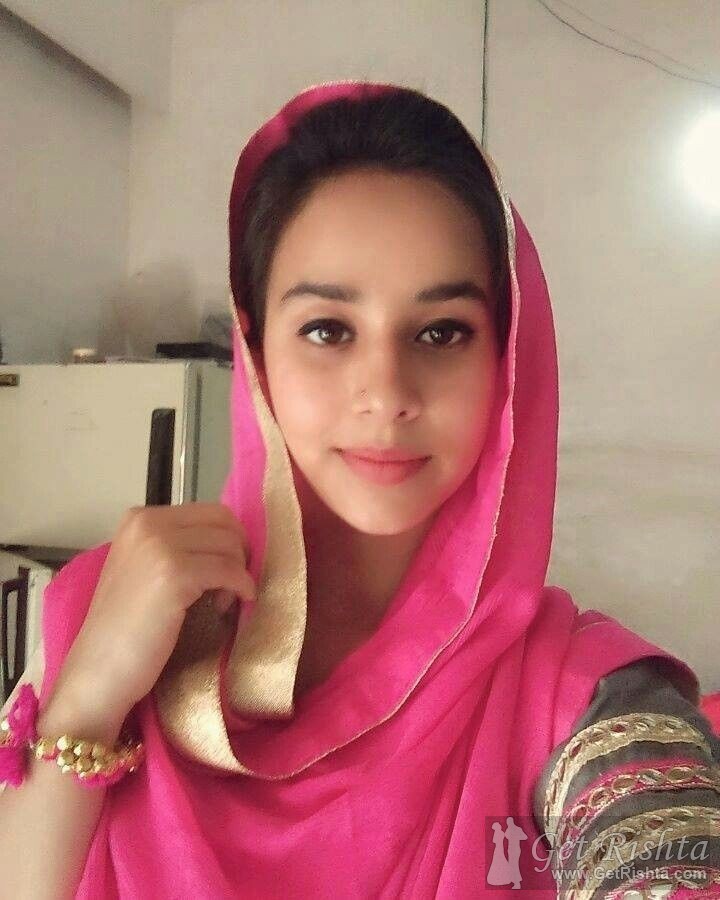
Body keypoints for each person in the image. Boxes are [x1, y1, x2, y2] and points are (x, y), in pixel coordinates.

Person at [1, 80, 719, 899]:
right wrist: (89, 699)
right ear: (256, 353)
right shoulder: (108, 616)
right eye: (328, 330)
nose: (386, 393)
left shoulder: (581, 696)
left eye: (441, 332)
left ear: (508, 363)